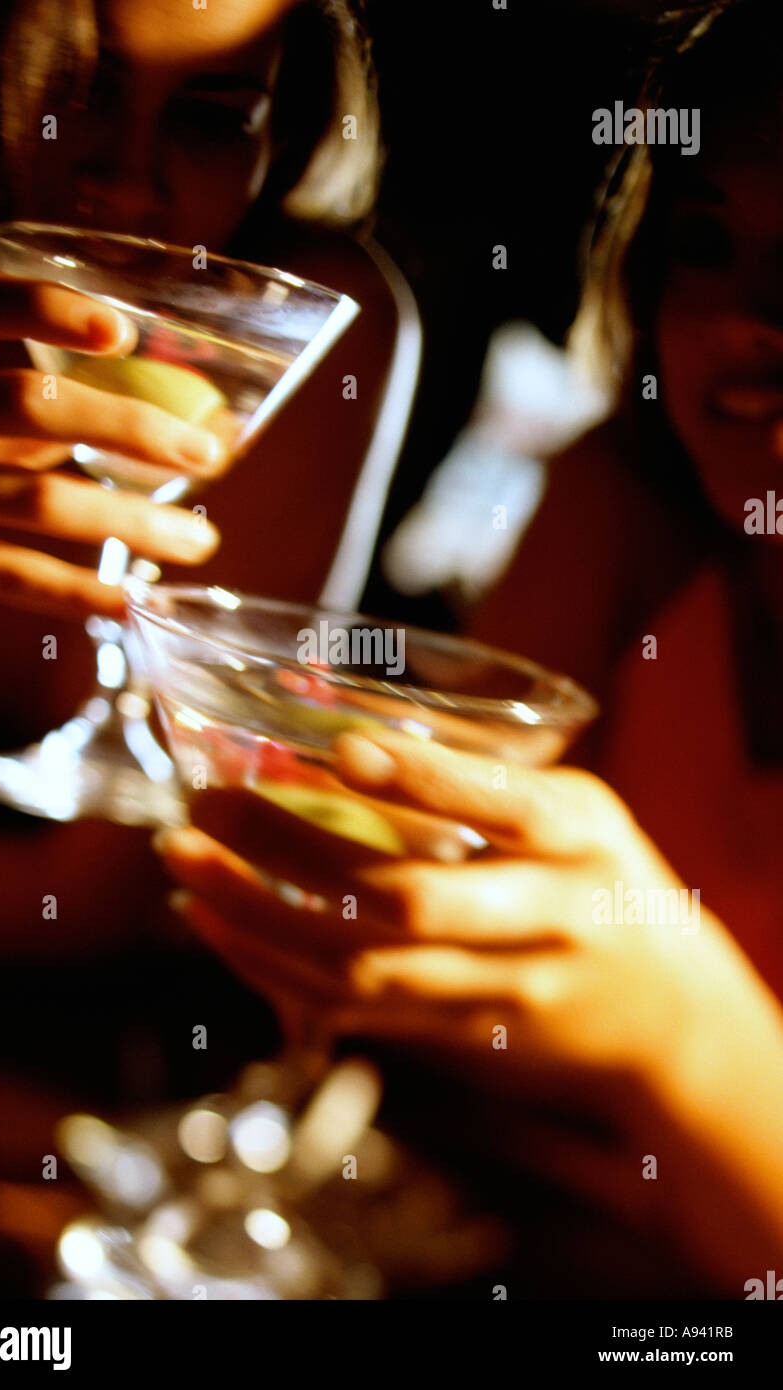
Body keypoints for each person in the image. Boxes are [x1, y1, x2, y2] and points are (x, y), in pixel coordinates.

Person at [159, 0, 783, 1296]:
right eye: (706, 244)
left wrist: (681, 1036)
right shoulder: (629, 513)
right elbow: (447, 1013)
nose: (738, 331)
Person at [0, 0, 416, 952]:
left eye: (212, 118)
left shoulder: (306, 318)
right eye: (73, 93)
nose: (127, 183)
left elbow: (124, 888)